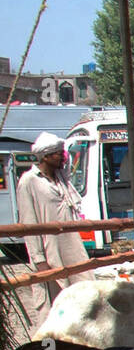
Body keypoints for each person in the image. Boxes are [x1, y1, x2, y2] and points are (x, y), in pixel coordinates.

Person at [15, 132, 92, 329]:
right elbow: (28, 223)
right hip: (50, 250)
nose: (62, 157)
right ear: (46, 156)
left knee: (83, 293)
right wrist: (39, 259)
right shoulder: (29, 181)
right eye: (58, 153)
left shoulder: (61, 179)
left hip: (71, 246)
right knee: (52, 305)